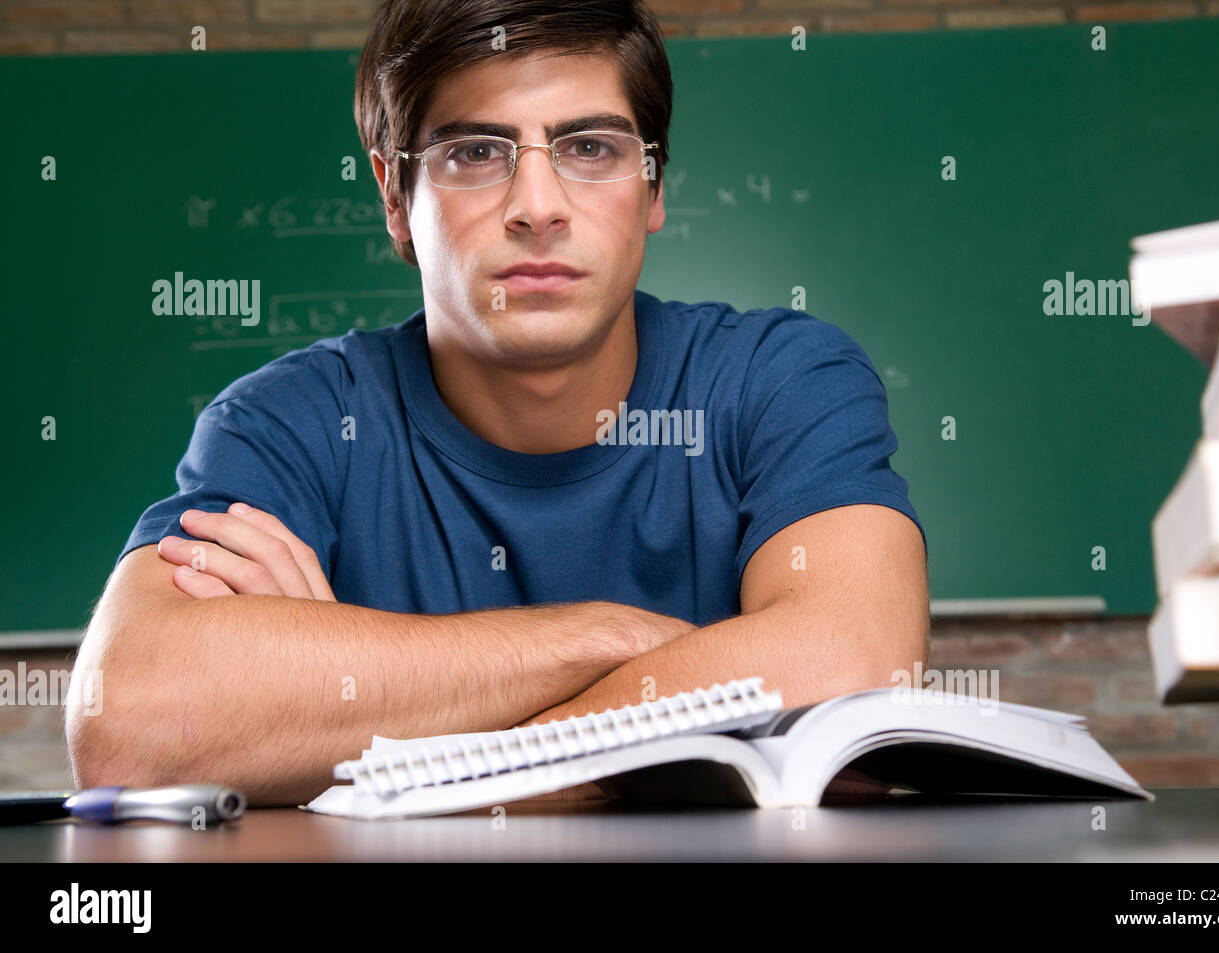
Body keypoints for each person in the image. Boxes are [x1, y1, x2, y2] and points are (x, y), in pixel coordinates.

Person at [67, 0, 929, 807]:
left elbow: (857, 667)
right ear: (395, 199)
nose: (539, 206)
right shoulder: (287, 423)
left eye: (590, 147)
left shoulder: (781, 379)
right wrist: (618, 640)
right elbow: (129, 723)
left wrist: (365, 722)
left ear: (655, 186)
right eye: (476, 152)